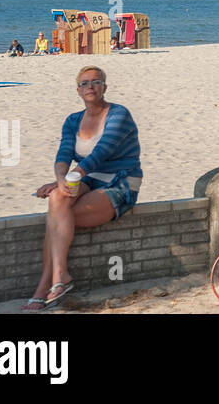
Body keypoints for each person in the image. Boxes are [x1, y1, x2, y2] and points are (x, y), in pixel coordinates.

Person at [23, 65, 141, 311]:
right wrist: (60, 179)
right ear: (78, 90)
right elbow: (64, 152)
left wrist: (72, 177)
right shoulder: (73, 120)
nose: (90, 86)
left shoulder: (119, 114)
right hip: (88, 179)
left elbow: (101, 153)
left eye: (96, 82)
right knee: (57, 201)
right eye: (85, 83)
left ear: (104, 88)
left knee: (57, 218)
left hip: (120, 180)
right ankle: (59, 277)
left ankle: (46, 285)